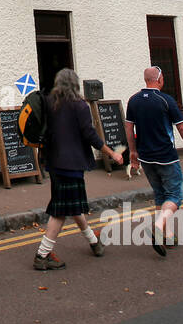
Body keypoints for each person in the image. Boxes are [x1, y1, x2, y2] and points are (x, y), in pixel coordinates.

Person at [33, 68, 123, 269]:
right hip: (71, 165)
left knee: (72, 206)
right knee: (60, 211)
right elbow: (90, 135)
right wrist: (112, 153)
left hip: (54, 164)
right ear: (75, 84)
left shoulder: (49, 103)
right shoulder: (80, 106)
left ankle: (94, 243)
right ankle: (42, 255)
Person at [126, 67, 183, 256]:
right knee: (175, 195)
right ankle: (158, 226)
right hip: (166, 157)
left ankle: (166, 235)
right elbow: (182, 128)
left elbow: (128, 128)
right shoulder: (166, 101)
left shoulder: (133, 101)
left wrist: (133, 152)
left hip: (146, 158)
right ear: (159, 79)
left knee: (160, 194)